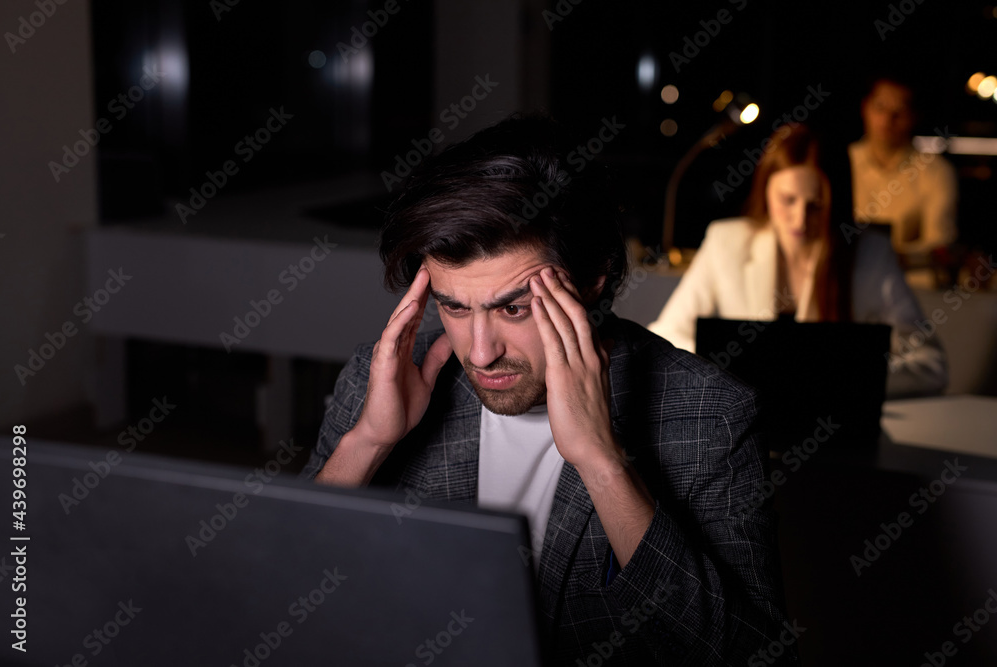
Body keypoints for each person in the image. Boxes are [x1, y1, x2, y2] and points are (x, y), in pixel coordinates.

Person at [301, 115, 797, 665]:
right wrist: (367, 443)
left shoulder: (711, 415)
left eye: (513, 308)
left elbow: (752, 655)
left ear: (592, 281)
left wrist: (603, 463)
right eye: (454, 307)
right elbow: (277, 590)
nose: (480, 351)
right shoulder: (384, 380)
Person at [648, 124, 948, 398]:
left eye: (816, 205)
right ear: (765, 192)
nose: (800, 220)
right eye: (787, 200)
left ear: (838, 204)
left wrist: (850, 379)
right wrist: (725, 370)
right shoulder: (727, 241)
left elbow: (930, 365)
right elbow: (665, 336)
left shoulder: (871, 253)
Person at [849, 77, 958, 261]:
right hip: (844, 279)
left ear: (914, 116)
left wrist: (894, 258)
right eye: (880, 107)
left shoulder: (936, 171)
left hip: (908, 283)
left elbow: (940, 242)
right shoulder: (841, 162)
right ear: (864, 108)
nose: (887, 119)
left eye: (899, 111)